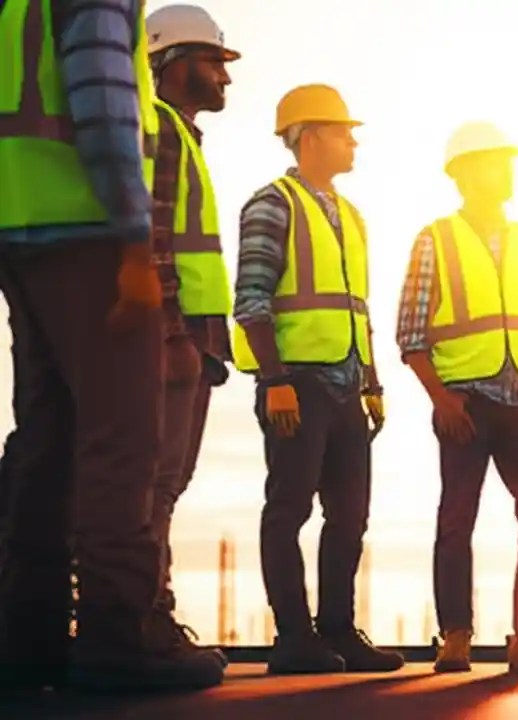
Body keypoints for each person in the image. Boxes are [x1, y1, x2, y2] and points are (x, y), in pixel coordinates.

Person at [0, 0, 223, 693]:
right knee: (122, 443)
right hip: (87, 227)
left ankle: (25, 642)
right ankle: (117, 638)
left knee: (47, 440)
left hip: (20, 223)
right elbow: (99, 96)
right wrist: (132, 237)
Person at [396, 121, 518, 674]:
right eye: (493, 162)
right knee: (457, 518)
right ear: (463, 175)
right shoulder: (435, 239)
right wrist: (441, 399)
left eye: (508, 162)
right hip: (464, 402)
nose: (506, 172)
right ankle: (455, 637)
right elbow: (410, 334)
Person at [231, 84, 402, 675]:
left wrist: (373, 382)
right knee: (289, 508)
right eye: (342, 130)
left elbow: (358, 308)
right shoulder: (271, 204)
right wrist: (274, 380)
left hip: (346, 386)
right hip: (296, 384)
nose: (353, 141)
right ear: (308, 137)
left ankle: (336, 630)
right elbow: (251, 300)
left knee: (350, 514)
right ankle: (294, 639)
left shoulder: (350, 216)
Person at [144, 3, 238, 665]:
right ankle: (145, 619)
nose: (225, 78)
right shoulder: (164, 135)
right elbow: (153, 237)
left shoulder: (182, 136)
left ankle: (149, 613)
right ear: (174, 65)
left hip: (193, 339)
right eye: (214, 62)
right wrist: (174, 333)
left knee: (166, 481)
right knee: (156, 480)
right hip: (172, 339)